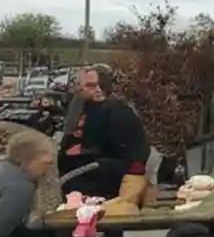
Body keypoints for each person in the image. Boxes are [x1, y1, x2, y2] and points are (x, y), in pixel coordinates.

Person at [57, 65, 151, 203]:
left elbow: (133, 157)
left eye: (91, 85)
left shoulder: (118, 113)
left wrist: (87, 156)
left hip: (104, 181)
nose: (82, 90)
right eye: (80, 85)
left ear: (103, 87)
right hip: (75, 176)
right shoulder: (78, 109)